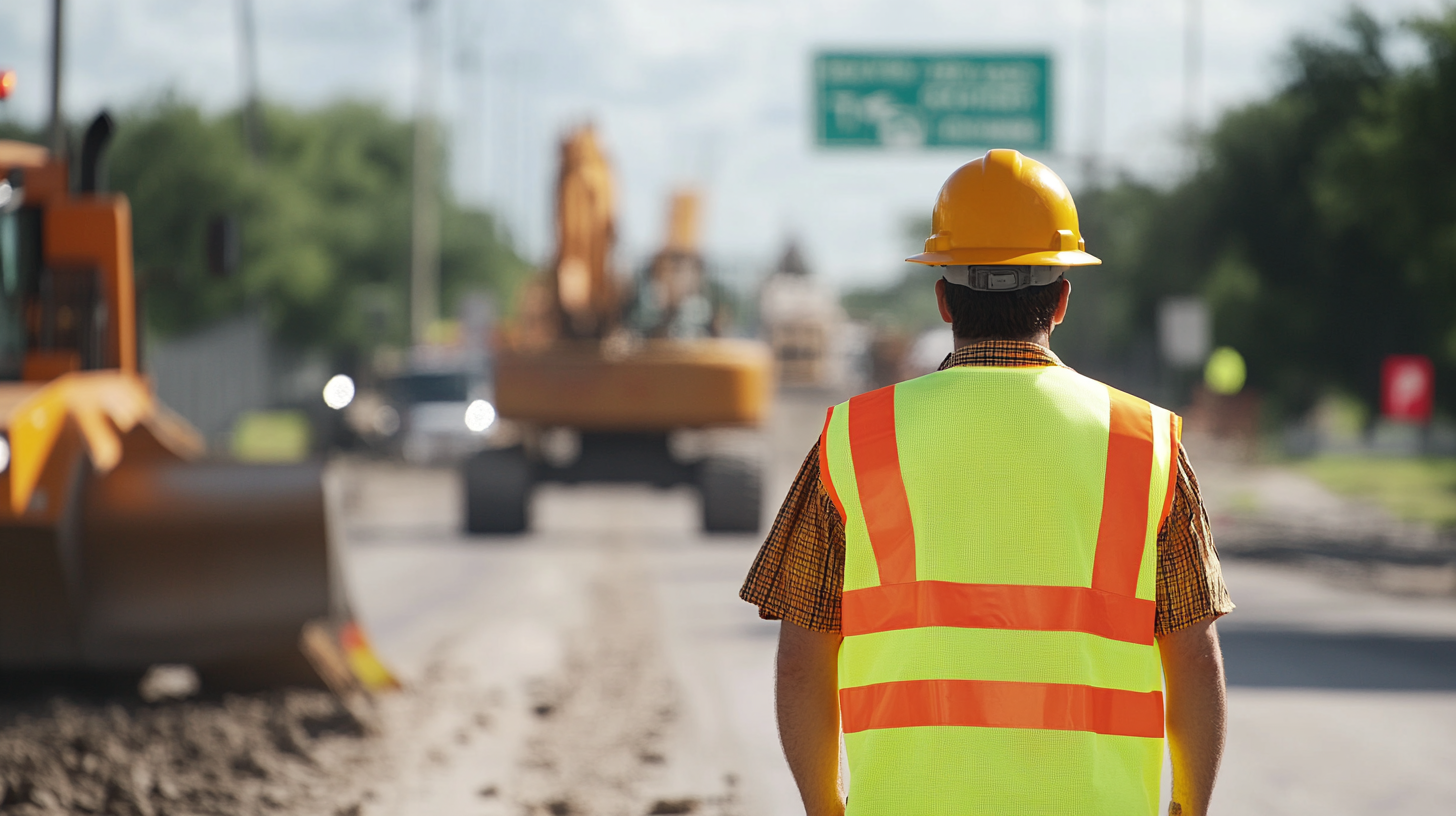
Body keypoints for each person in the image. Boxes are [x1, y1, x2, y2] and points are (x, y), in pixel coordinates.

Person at [741, 149, 1232, 816]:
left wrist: (827, 809)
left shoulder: (857, 439)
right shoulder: (1143, 443)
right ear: (1060, 299)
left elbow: (802, 659)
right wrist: (1188, 811)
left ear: (943, 298)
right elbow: (1195, 660)